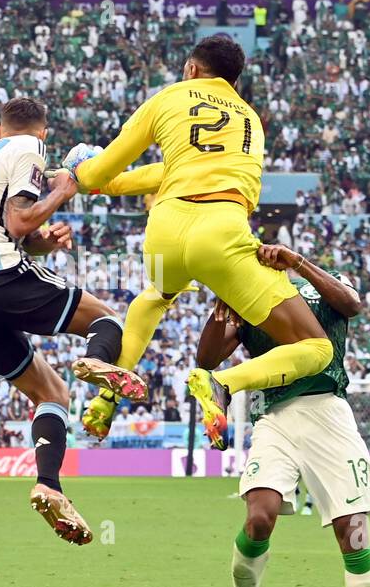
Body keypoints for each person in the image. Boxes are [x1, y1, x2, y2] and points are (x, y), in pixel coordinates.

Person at [62, 35, 333, 450]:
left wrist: (82, 176)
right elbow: (189, 169)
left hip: (165, 227)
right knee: (316, 348)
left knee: (154, 296)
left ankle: (106, 398)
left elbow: (117, 174)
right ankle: (222, 382)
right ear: (234, 81)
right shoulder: (249, 120)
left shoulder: (169, 98)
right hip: (222, 229)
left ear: (191, 70)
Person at [0, 97, 147, 545]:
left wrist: (43, 243)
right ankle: (93, 359)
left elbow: (16, 230)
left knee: (51, 392)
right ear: (43, 133)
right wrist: (64, 190)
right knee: (105, 318)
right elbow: (19, 217)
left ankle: (48, 485)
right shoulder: (29, 149)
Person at [196, 243, 370, 587]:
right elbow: (206, 360)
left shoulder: (317, 284)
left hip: (329, 414)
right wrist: (224, 304)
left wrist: (299, 263)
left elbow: (354, 305)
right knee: (259, 516)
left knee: (353, 533)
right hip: (273, 416)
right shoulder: (247, 298)